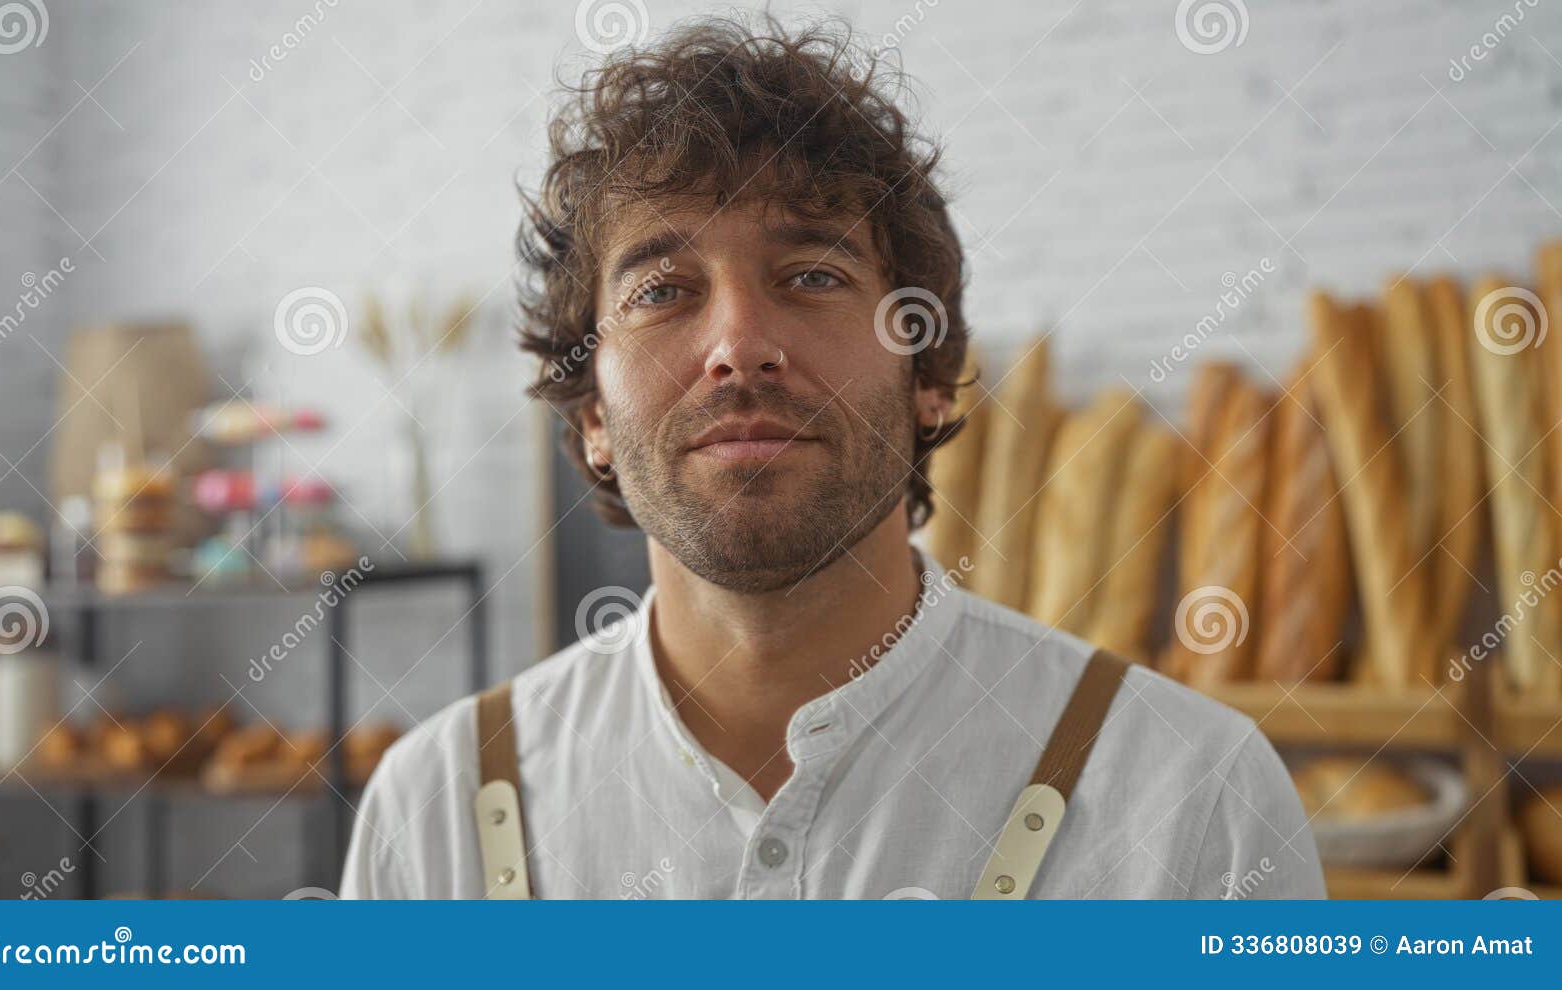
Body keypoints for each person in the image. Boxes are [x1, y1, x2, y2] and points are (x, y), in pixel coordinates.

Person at [340, 16, 1324, 900]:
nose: (737, 344)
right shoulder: (436, 812)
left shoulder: (1194, 800)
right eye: (661, 291)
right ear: (592, 413)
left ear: (927, 374)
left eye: (812, 275)